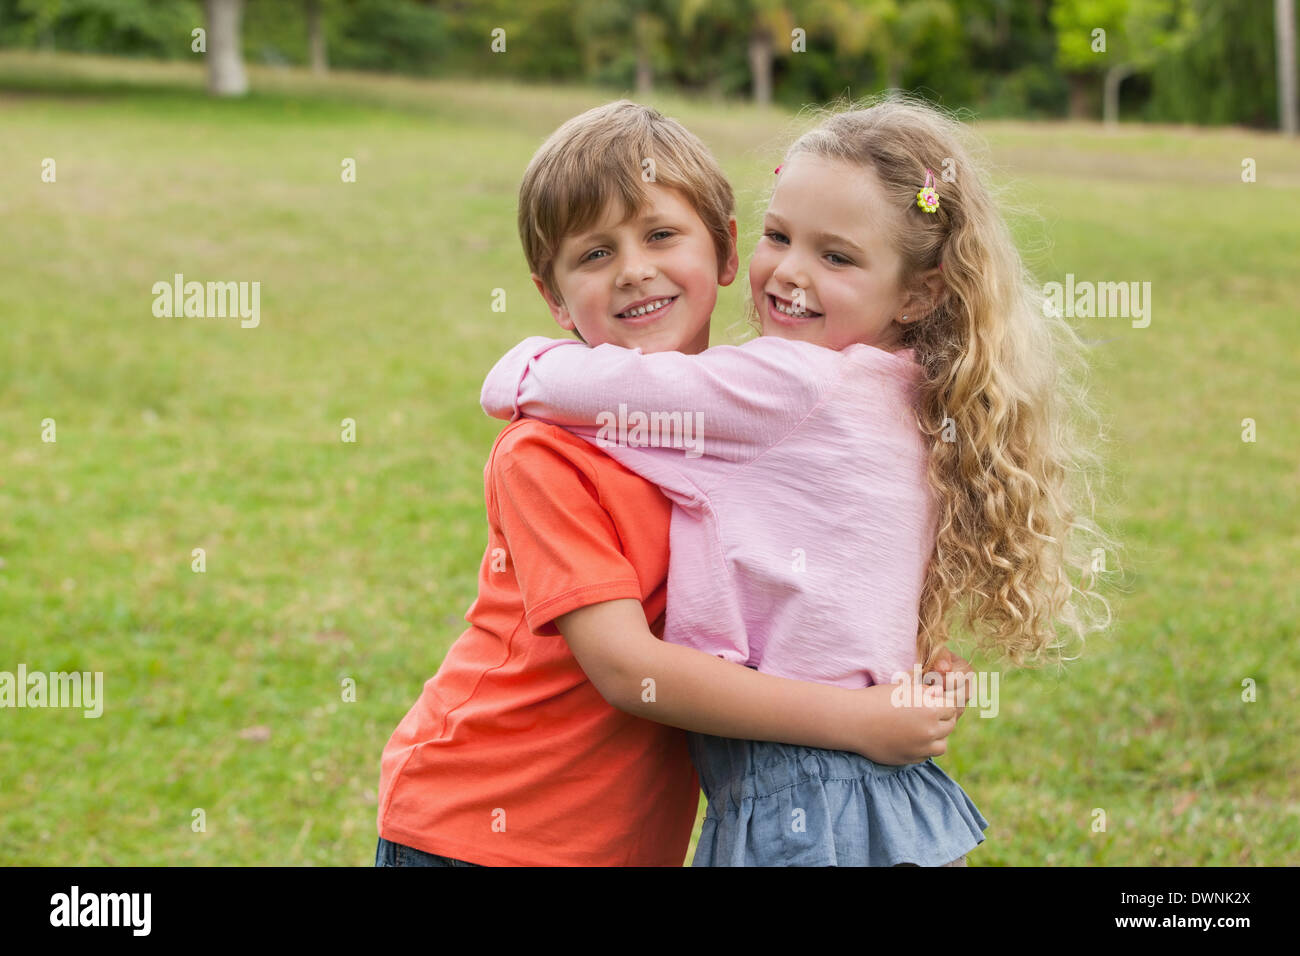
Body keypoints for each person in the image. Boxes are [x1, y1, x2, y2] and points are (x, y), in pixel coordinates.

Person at [482, 95, 1117, 866]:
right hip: (873, 789)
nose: (789, 272)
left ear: (919, 292)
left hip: (799, 790)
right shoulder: (912, 391)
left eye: (836, 256)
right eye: (779, 237)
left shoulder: (792, 384)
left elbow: (586, 392)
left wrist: (520, 363)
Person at [377, 100, 969, 868]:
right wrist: (860, 719)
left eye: (660, 235)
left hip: (626, 842)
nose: (633, 270)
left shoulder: (747, 425)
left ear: (725, 252)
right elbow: (629, 670)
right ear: (553, 298)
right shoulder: (546, 454)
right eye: (593, 255)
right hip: (486, 822)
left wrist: (910, 663)